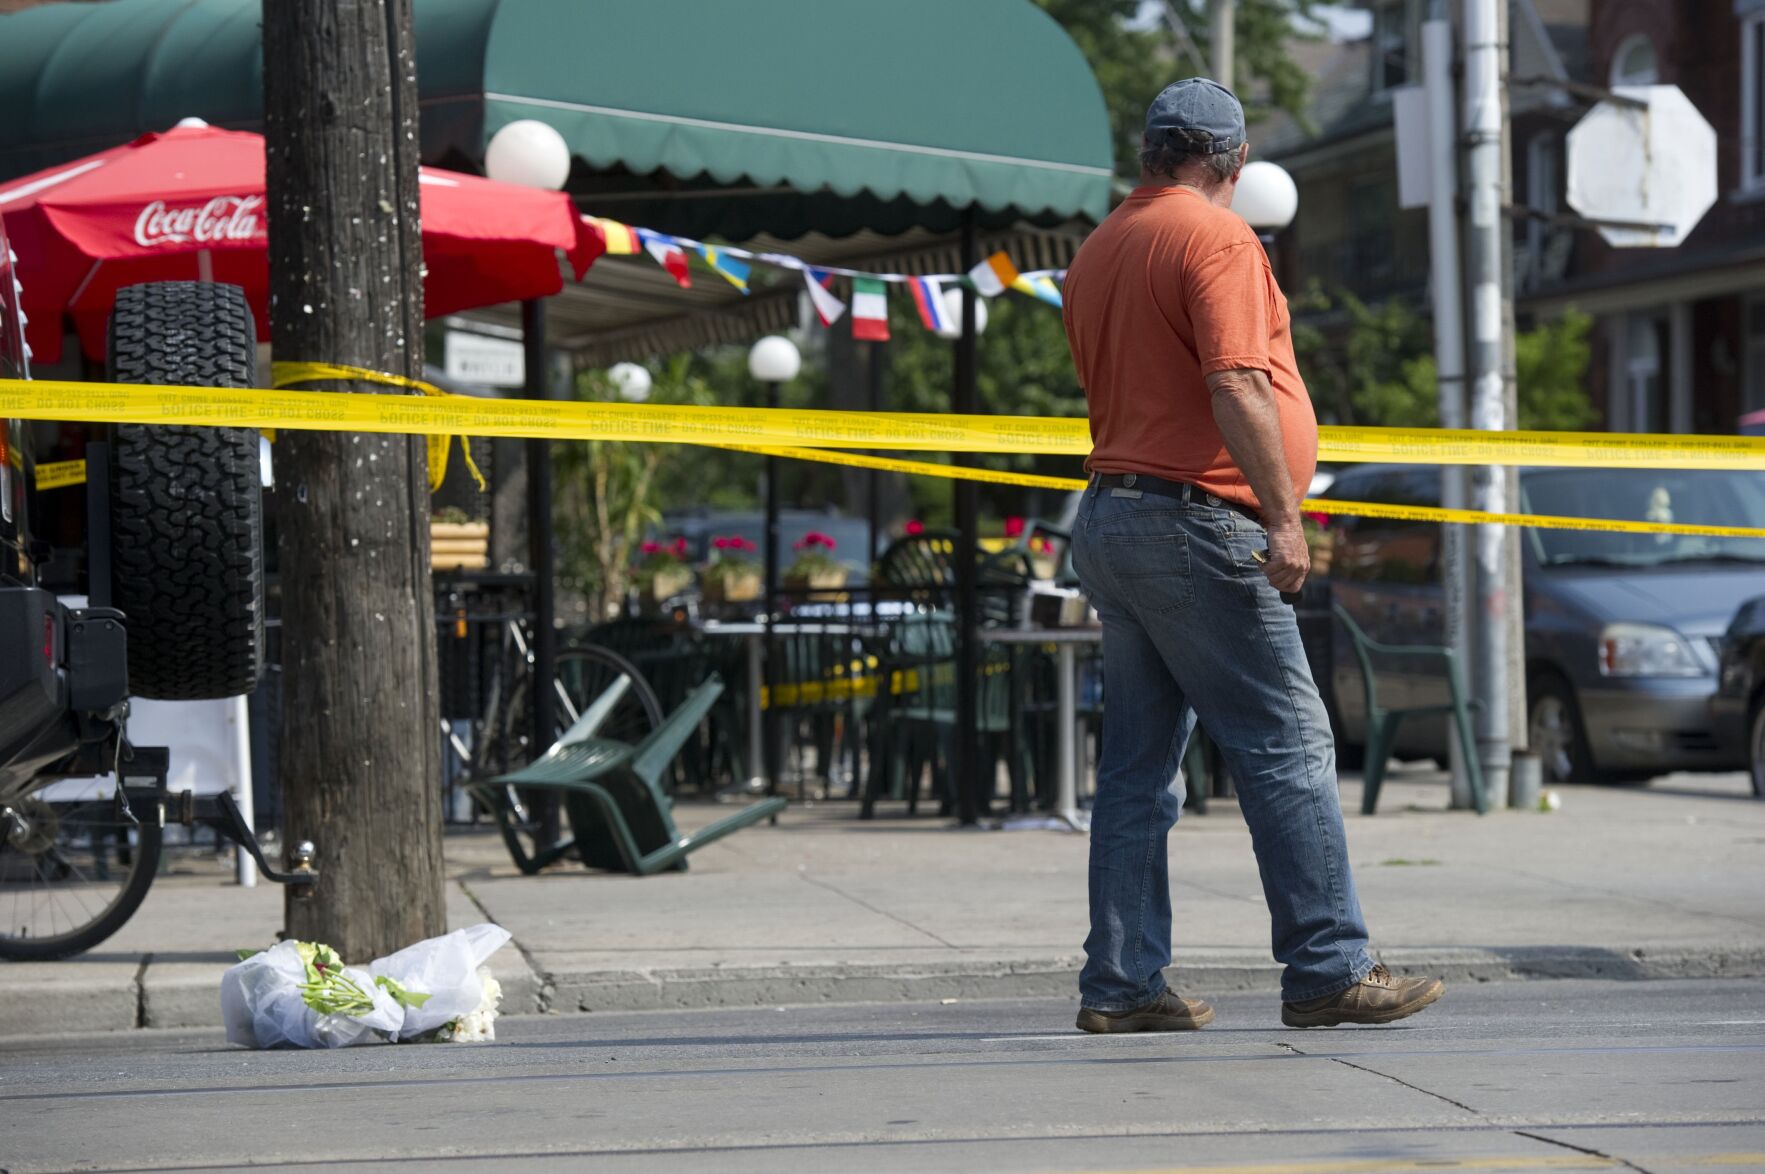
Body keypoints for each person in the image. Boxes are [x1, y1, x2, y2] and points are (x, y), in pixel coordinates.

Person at [1060, 78, 1444, 1030]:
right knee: (1288, 742)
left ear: (1149, 152)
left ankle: (1122, 984)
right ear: (1232, 162)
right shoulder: (1218, 238)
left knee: (1137, 769)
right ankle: (1327, 966)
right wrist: (1282, 515)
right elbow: (1234, 379)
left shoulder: (1101, 246)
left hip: (1115, 516)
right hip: (1194, 522)